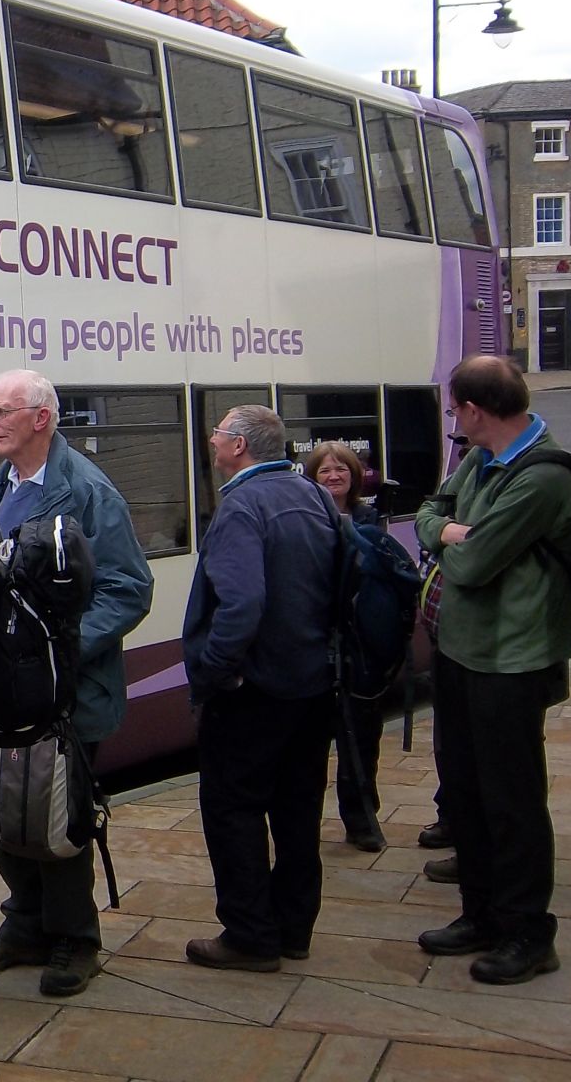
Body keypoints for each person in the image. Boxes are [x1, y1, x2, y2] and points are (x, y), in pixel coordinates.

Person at [0, 370, 153, 996]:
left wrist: (60, 647)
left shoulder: (87, 491)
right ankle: (26, 923)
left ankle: (76, 938)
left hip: (67, 693)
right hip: (12, 689)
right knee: (10, 812)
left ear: (41, 418)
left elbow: (129, 588)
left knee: (60, 816)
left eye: (2, 411)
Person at [414, 355, 571, 985]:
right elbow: (431, 510)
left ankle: (528, 932)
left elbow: (472, 564)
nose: (453, 419)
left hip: (511, 659)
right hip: (461, 650)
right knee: (466, 791)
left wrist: (449, 538)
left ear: (475, 410)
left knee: (512, 800)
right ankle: (480, 914)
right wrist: (450, 529)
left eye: (455, 409)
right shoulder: (482, 458)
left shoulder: (543, 476)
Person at [181, 406, 337, 972]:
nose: (212, 442)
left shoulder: (241, 507)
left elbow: (242, 602)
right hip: (310, 687)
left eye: (219, 434)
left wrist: (214, 670)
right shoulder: (313, 496)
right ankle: (293, 927)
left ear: (240, 446)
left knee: (233, 810)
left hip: (252, 693)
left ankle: (250, 935)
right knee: (299, 811)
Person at [302, 440, 388, 852]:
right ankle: (305, 825)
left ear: (354, 477)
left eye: (341, 470)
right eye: (324, 470)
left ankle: (362, 821)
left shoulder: (369, 519)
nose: (333, 476)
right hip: (314, 645)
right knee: (309, 746)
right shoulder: (303, 519)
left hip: (358, 647)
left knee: (361, 741)